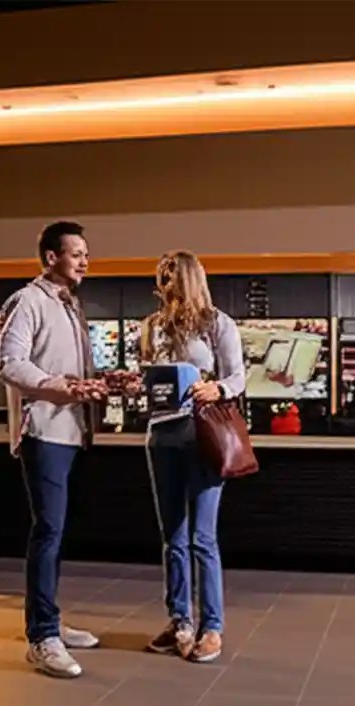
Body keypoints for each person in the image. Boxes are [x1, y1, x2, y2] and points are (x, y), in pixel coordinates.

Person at [0, 220, 103, 679]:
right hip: (44, 433)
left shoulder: (70, 306)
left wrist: (96, 386)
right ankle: (42, 637)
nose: (84, 260)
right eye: (75, 252)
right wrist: (54, 386)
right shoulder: (29, 301)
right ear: (50, 257)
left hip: (73, 432)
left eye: (85, 253)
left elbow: (69, 369)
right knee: (48, 533)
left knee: (57, 534)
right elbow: (10, 361)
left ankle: (51, 621)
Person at [140, 250, 245, 663]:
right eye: (162, 274)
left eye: (173, 274)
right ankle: (179, 619)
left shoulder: (217, 323)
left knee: (203, 538)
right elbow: (147, 377)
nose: (167, 282)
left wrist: (215, 388)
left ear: (191, 278)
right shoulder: (152, 327)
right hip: (161, 437)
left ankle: (212, 627)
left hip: (203, 436)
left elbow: (236, 376)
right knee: (173, 539)